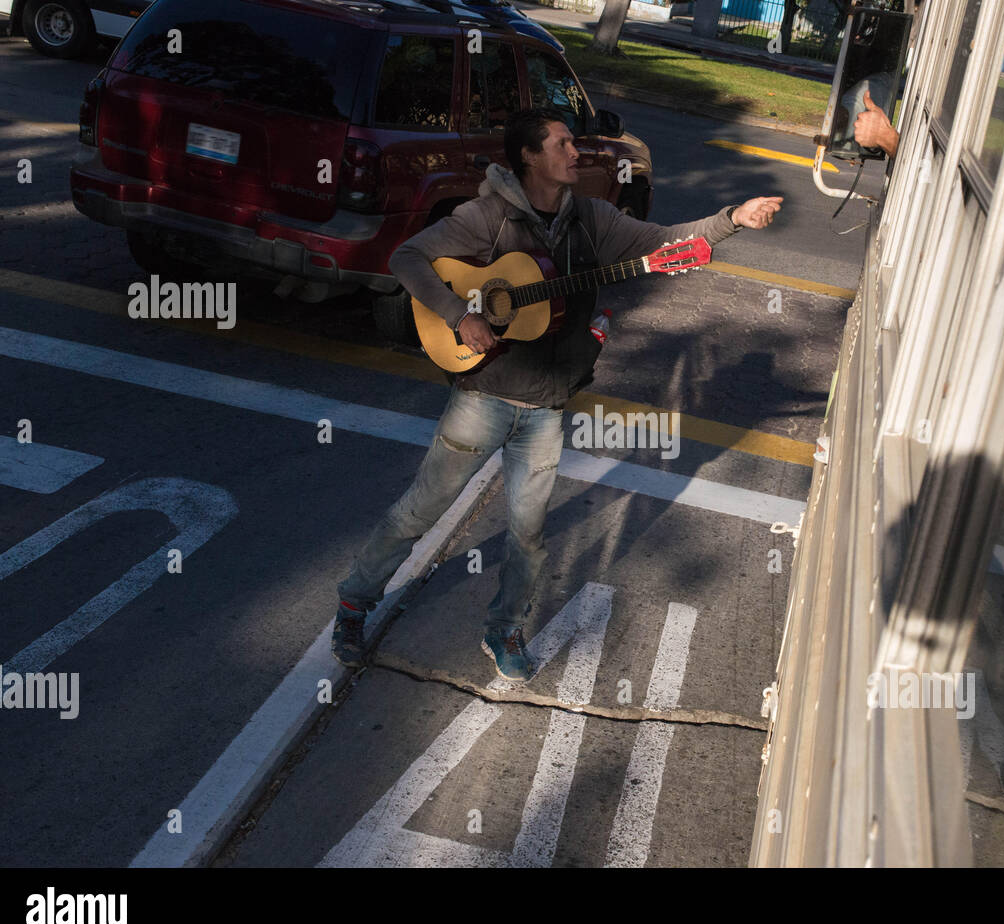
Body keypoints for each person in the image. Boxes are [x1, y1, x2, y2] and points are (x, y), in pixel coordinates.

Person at [331, 106, 784, 681]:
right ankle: (353, 605)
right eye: (563, 144)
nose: (576, 153)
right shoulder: (487, 216)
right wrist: (458, 315)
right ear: (528, 156)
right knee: (419, 511)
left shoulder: (591, 220)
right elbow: (407, 257)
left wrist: (733, 219)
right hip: (484, 394)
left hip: (545, 406)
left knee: (528, 535)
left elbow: (668, 240)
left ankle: (503, 629)